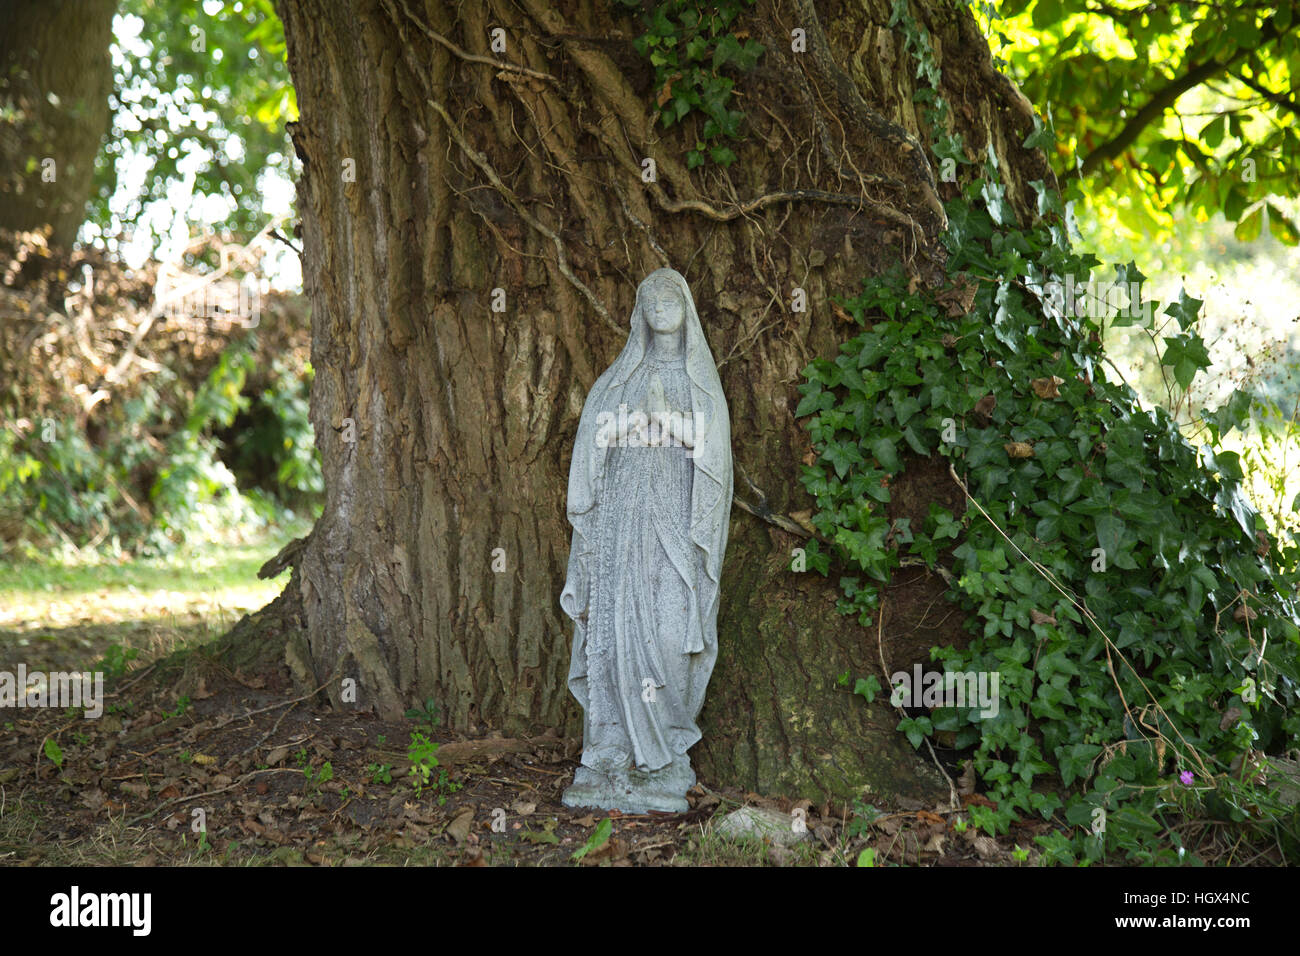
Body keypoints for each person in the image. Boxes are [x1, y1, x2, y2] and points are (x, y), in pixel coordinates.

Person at [559, 267, 732, 813]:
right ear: (639, 313)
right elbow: (595, 438)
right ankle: (608, 747)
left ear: (686, 309)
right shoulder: (621, 377)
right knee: (614, 624)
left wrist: (668, 421)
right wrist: (628, 424)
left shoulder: (698, 380)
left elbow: (714, 455)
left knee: (666, 627)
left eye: (670, 296)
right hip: (622, 523)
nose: (660, 305)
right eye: (650, 298)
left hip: (675, 524)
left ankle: (661, 756)